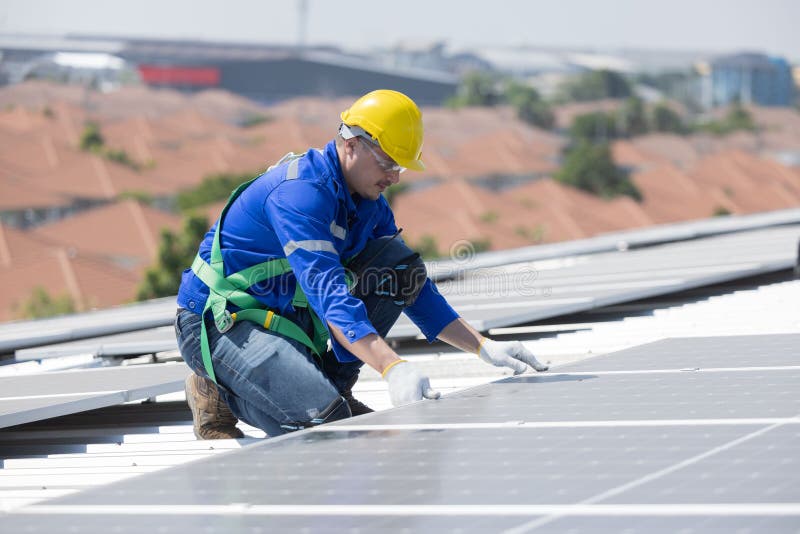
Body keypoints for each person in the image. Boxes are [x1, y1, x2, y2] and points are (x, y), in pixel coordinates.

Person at [174, 89, 548, 440]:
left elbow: (409, 283)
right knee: (326, 428)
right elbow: (329, 293)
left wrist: (482, 346)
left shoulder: (369, 204)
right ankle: (220, 391)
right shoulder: (299, 195)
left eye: (401, 168)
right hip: (220, 322)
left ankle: (331, 388)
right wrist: (391, 366)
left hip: (285, 319)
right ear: (351, 144)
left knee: (398, 266)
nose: (393, 177)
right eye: (387, 163)